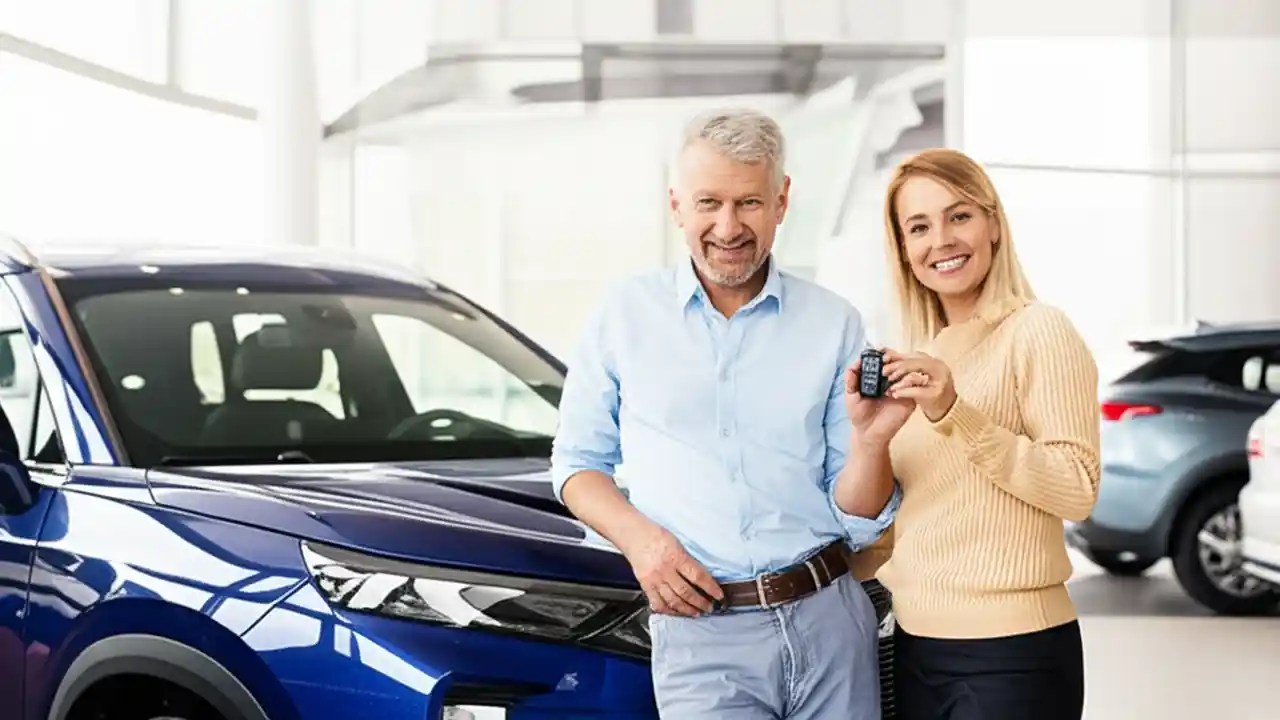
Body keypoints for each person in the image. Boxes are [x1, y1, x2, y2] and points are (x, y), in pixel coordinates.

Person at [550, 107, 901, 719]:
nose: (729, 226)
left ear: (782, 200)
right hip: (701, 634)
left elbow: (860, 516)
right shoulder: (623, 316)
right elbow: (578, 464)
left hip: (830, 620)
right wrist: (644, 544)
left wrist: (872, 445)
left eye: (750, 203)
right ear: (677, 205)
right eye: (709, 202)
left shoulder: (834, 322)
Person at [843, 147, 1101, 720]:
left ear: (992, 225)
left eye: (958, 216)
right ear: (905, 252)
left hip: (1014, 656)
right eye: (919, 227)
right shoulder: (922, 359)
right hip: (915, 647)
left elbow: (1077, 490)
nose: (942, 239)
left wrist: (956, 410)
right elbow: (920, 521)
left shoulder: (1038, 330)